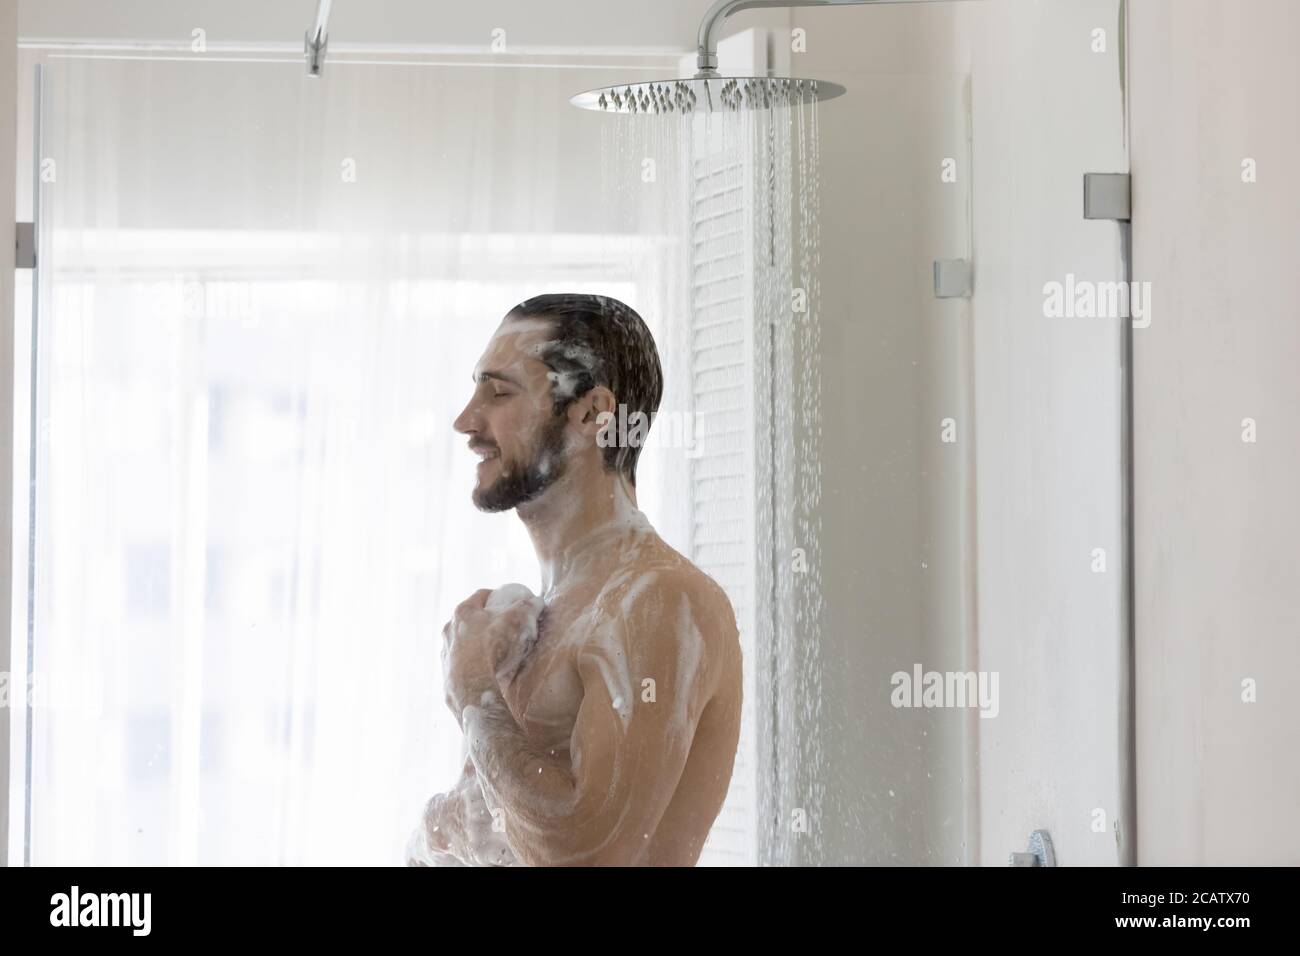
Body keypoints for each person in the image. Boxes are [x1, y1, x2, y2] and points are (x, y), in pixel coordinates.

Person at [407, 293, 742, 866]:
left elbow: (585, 855)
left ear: (592, 415)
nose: (466, 420)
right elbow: (484, 831)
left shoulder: (659, 599)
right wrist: (442, 826)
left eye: (499, 391)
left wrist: (474, 695)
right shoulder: (544, 614)